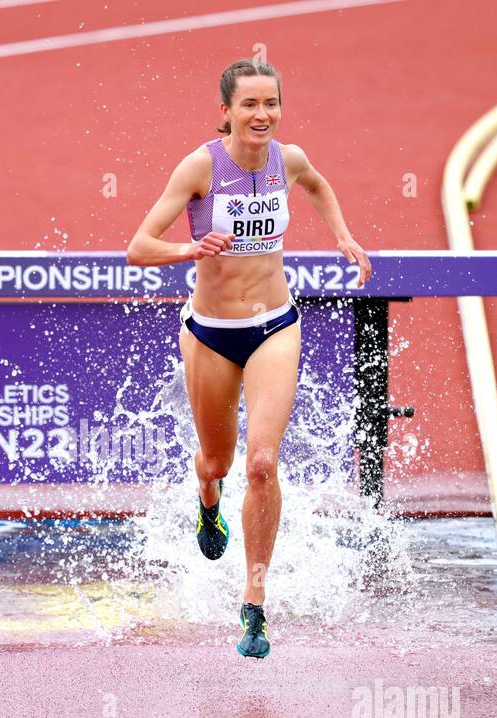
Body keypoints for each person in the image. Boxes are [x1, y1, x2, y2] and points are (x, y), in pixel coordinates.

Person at [127, 59, 372, 658]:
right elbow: (138, 249)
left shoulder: (289, 159)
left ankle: (254, 602)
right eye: (249, 105)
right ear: (226, 112)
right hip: (210, 332)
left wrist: (342, 234)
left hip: (274, 326)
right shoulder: (200, 168)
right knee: (218, 460)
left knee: (262, 464)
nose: (262, 115)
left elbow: (316, 184)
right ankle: (207, 502)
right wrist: (191, 247)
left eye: (271, 104)